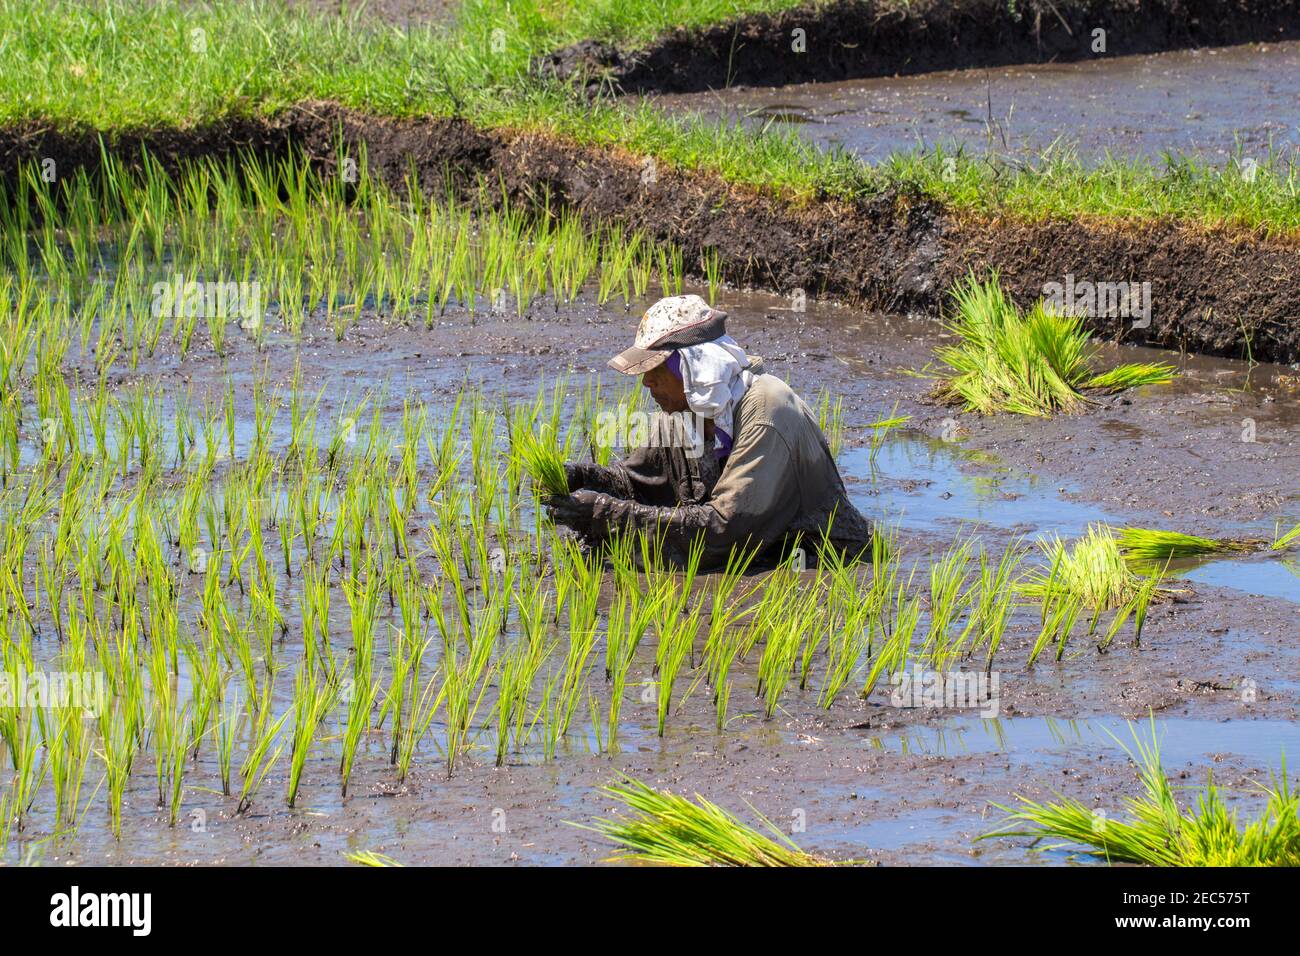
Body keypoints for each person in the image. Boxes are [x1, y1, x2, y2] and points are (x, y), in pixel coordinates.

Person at [546, 294, 872, 567]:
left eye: (657, 369)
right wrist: (579, 479)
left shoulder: (766, 409)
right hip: (764, 560)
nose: (646, 381)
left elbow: (724, 531)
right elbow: (637, 485)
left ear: (694, 366)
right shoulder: (685, 413)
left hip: (820, 568)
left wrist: (603, 513)